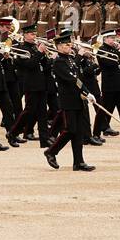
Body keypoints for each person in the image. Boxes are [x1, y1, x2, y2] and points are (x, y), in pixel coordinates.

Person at [45, 30, 94, 172]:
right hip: (68, 101)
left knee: (78, 132)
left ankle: (79, 162)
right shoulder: (59, 62)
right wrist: (86, 91)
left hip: (77, 99)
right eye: (66, 45)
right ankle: (51, 151)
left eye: (69, 44)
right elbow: (72, 80)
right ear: (59, 47)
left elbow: (78, 77)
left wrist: (87, 92)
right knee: (70, 130)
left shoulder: (70, 59)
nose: (69, 47)